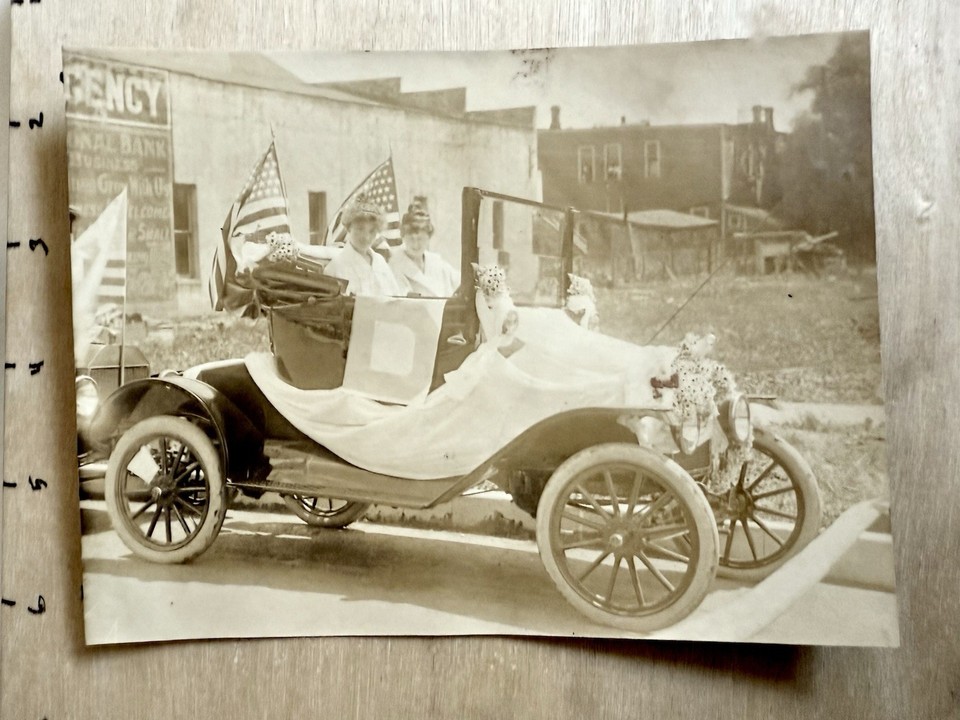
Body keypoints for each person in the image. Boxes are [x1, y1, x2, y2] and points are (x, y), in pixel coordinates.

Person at [324, 193, 404, 296]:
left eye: (371, 231)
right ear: (348, 228)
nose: (366, 237)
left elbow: (396, 299)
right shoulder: (335, 268)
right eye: (360, 229)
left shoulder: (380, 263)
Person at [388, 196, 460, 297]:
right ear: (403, 237)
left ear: (428, 238)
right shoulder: (394, 265)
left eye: (420, 239)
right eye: (411, 239)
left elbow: (460, 281)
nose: (416, 244)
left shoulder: (436, 262)